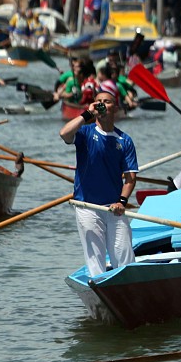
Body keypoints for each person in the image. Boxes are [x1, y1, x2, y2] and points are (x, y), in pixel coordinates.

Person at [60, 86, 138, 278]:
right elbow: (64, 133)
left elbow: (130, 178)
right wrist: (87, 113)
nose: (102, 103)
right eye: (98, 101)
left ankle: (128, 287)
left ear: (116, 108)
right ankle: (100, 289)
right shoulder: (85, 133)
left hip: (114, 208)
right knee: (96, 260)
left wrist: (121, 201)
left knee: (124, 255)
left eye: (107, 101)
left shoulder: (124, 140)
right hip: (87, 205)